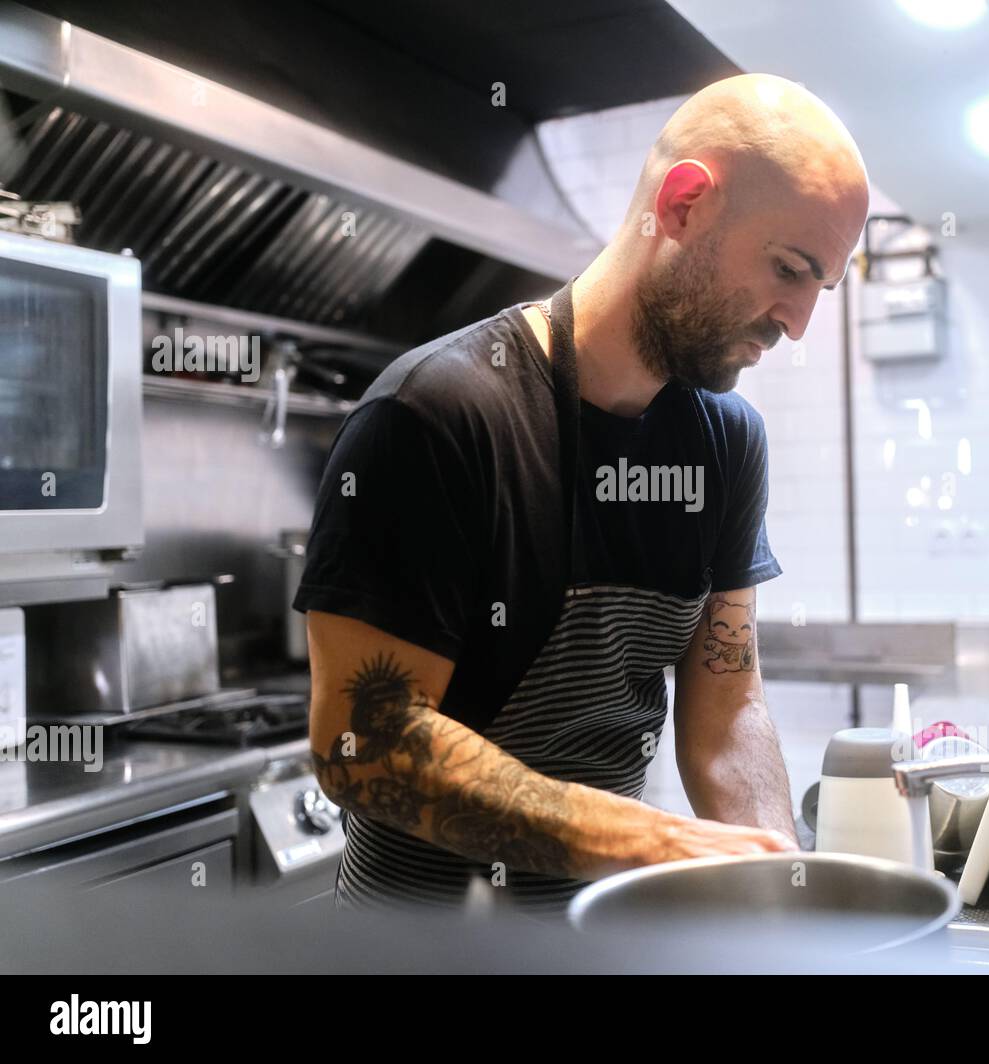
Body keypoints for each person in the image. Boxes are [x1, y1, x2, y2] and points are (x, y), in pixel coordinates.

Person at [294, 73, 870, 914]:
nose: (797, 323)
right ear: (681, 206)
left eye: (821, 287)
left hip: (596, 933)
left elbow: (727, 700)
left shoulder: (726, 443)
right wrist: (653, 840)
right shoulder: (439, 414)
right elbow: (362, 742)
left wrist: (776, 885)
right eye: (789, 269)